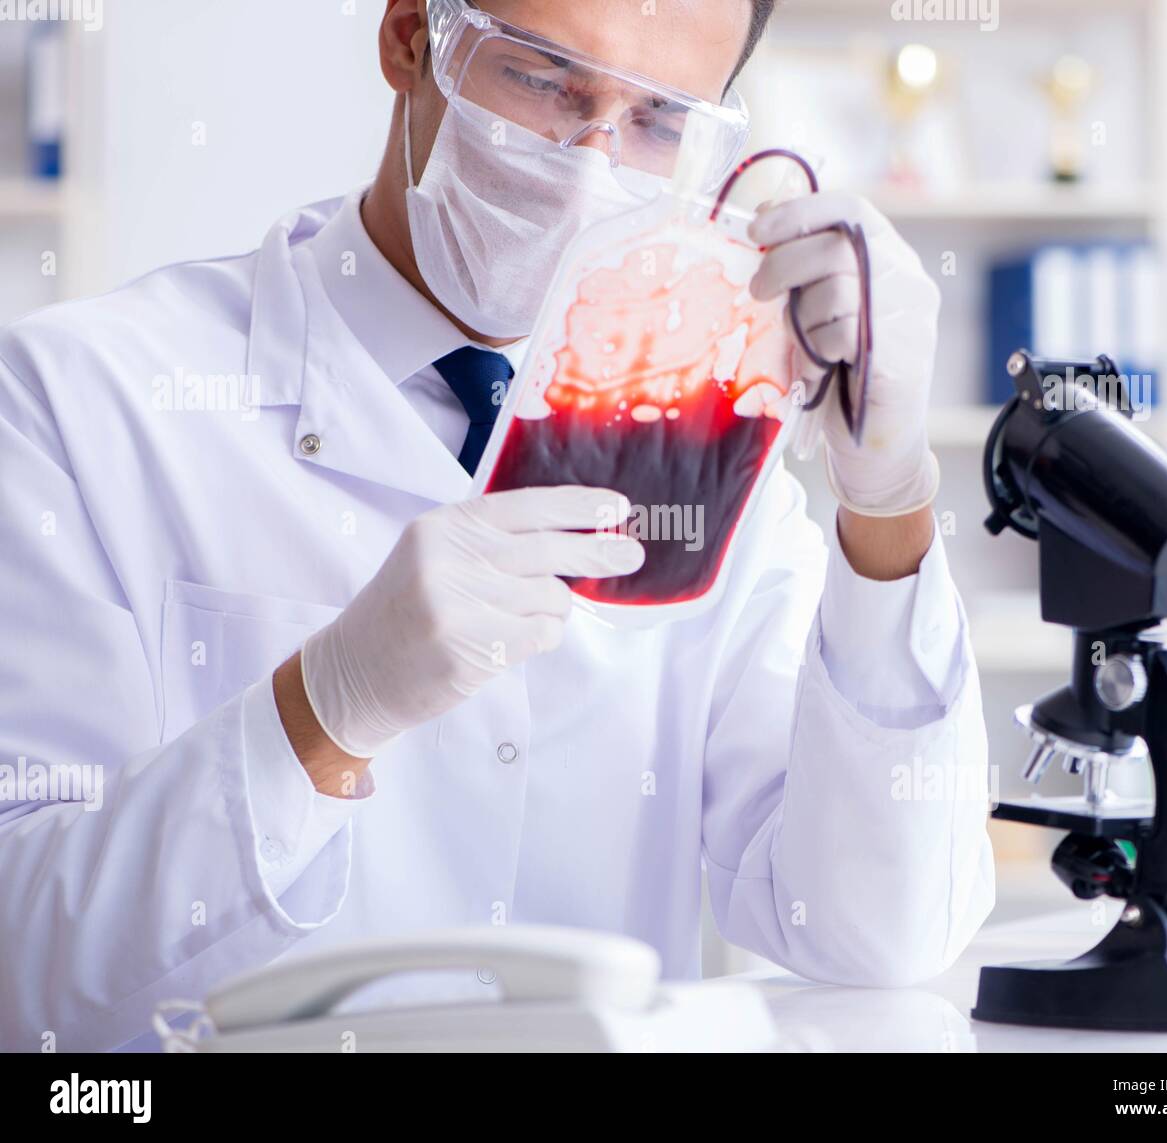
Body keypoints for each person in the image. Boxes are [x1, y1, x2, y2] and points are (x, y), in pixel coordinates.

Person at [0, 0, 993, 1051]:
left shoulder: (704, 445)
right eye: (544, 80)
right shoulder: (82, 398)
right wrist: (321, 714)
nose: (590, 162)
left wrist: (887, 506)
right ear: (409, 38)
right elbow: (24, 975)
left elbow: (876, 935)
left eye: (660, 121)